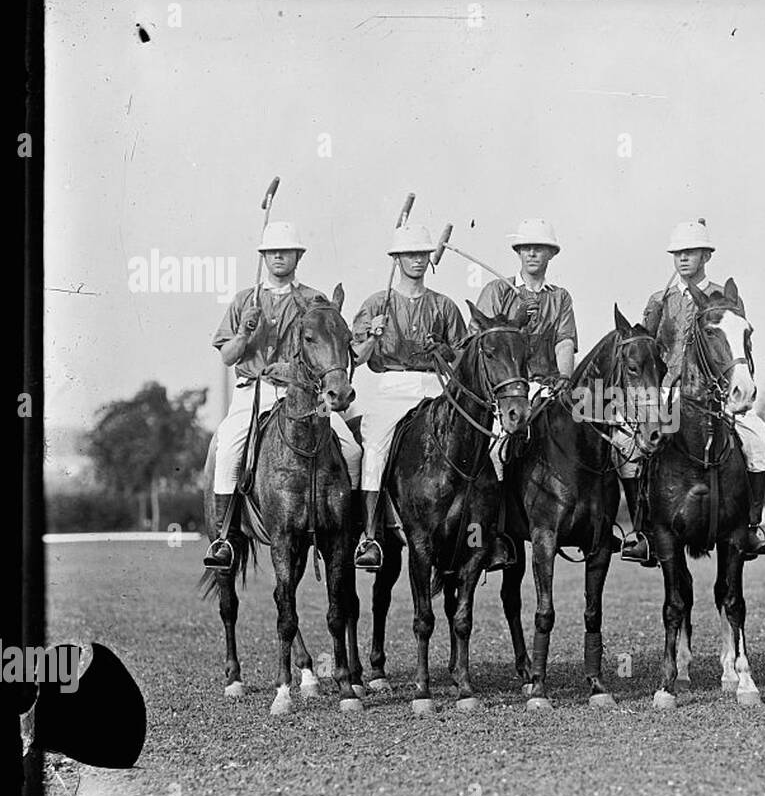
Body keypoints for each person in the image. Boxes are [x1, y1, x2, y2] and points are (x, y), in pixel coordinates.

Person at [203, 222, 362, 570]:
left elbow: (329, 346)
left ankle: (355, 534)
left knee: (352, 450)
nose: (278, 256)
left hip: (305, 396)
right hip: (253, 392)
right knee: (227, 451)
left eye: (285, 251)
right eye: (272, 251)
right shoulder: (244, 300)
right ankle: (224, 538)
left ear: (297, 256)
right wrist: (244, 333)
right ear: (263, 256)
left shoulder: (313, 300)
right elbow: (228, 356)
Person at [619, 219, 765, 565]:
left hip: (716, 397)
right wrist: (649, 319)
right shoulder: (660, 299)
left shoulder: (724, 297)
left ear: (706, 256)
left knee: (757, 438)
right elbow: (644, 351)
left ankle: (750, 526)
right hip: (668, 392)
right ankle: (644, 533)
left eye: (690, 252)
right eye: (678, 253)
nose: (683, 259)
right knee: (631, 448)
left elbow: (740, 346)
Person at [348, 224, 467, 571]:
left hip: (436, 387)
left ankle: (483, 536)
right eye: (410, 254)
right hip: (392, 388)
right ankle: (370, 537)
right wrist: (373, 335)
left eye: (422, 254)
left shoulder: (444, 305)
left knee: (474, 448)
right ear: (397, 259)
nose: (417, 260)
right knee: (374, 449)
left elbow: (463, 360)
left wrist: (443, 349)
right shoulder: (376, 304)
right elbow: (356, 358)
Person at [470, 218, 579, 570]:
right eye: (526, 248)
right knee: (495, 451)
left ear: (550, 254)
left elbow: (564, 341)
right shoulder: (497, 290)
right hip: (507, 389)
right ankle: (495, 536)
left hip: (548, 386)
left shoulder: (559, 297)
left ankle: (594, 524)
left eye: (539, 248)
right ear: (518, 252)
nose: (532, 253)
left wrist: (564, 377)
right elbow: (480, 342)